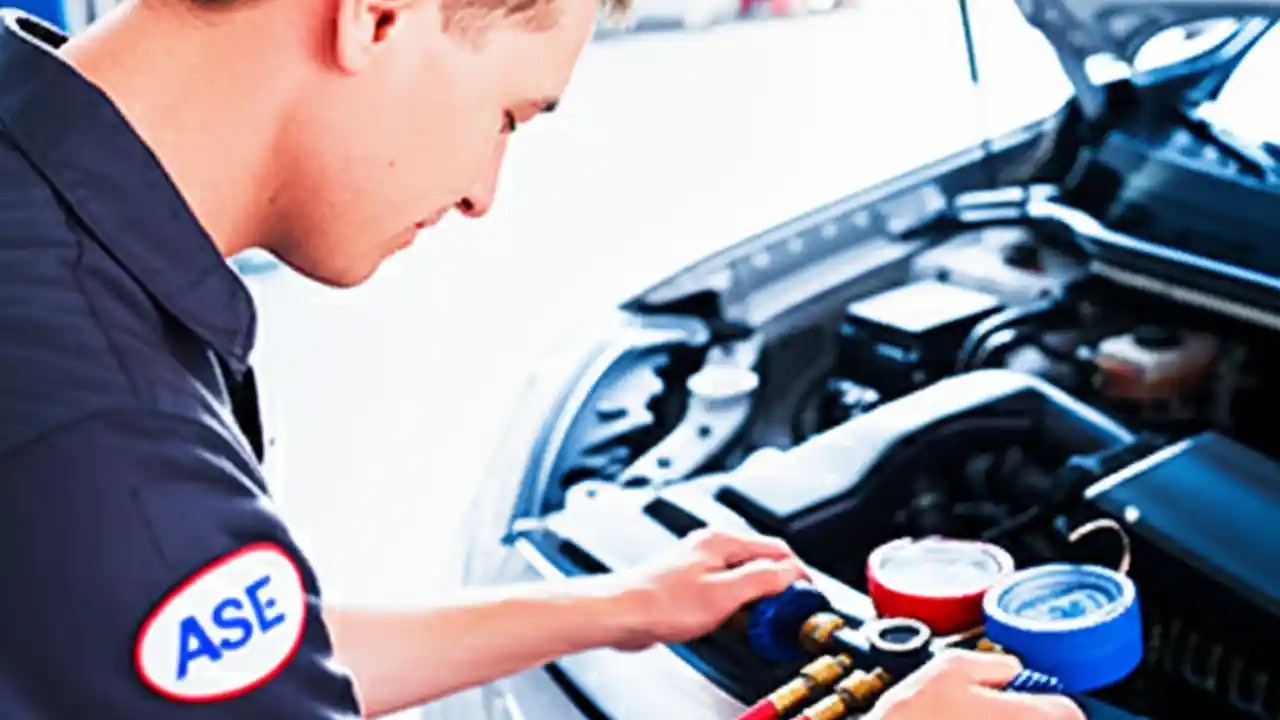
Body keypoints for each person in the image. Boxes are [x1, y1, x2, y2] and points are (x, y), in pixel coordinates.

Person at [0, 1, 1085, 718]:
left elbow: (235, 657)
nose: (484, 191)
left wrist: (618, 607)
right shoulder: (106, 437)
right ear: (381, 13)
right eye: (508, 114)